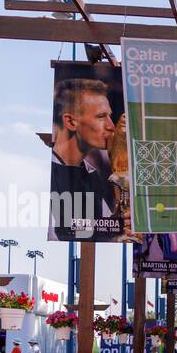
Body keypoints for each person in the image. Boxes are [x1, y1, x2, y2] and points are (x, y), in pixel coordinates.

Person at [50, 78, 121, 240]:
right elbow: (61, 232)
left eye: (110, 116)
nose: (111, 126)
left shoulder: (92, 174)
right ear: (70, 121)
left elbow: (104, 229)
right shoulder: (47, 174)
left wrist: (121, 225)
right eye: (101, 116)